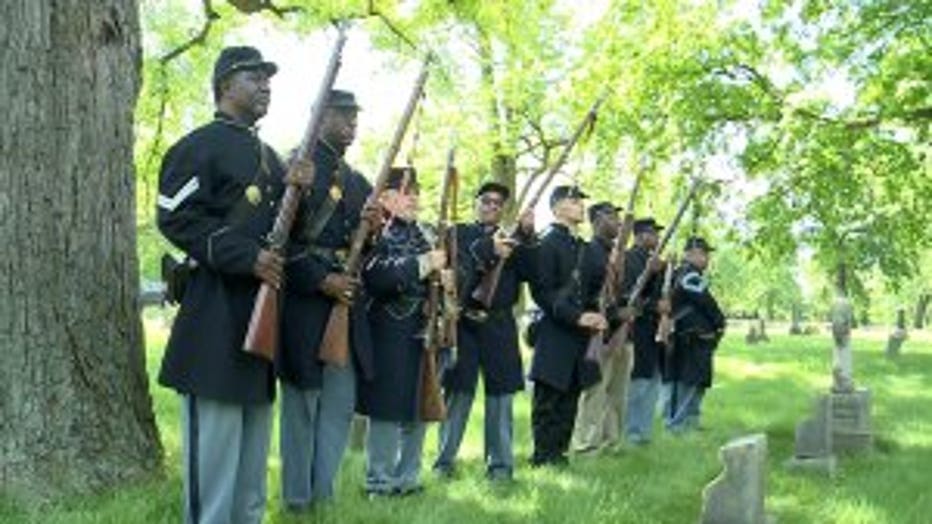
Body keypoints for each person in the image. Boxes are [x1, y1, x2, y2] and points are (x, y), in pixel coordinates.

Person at [157, 46, 304, 524]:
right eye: (253, 77)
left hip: (261, 324)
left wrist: (301, 189)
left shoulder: (272, 159)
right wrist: (248, 257)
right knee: (214, 476)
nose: (265, 85)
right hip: (214, 322)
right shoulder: (197, 147)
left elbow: (293, 237)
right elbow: (175, 217)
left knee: (250, 478)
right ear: (224, 86)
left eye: (268, 78)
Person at [276, 90, 382, 510]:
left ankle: (324, 497)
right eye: (343, 115)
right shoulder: (295, 167)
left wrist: (371, 234)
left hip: (345, 309)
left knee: (338, 407)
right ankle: (296, 501)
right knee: (301, 407)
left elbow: (365, 254)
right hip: (305, 304)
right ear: (320, 117)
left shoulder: (357, 182)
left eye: (354, 117)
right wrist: (321, 280)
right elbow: (279, 242)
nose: (351, 124)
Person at [433, 182, 536, 482]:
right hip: (463, 323)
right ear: (475, 203)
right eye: (486, 201)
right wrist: (490, 249)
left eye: (498, 203)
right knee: (457, 394)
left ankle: (501, 467)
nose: (492, 206)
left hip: (500, 325)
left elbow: (534, 271)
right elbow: (459, 267)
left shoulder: (516, 239)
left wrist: (527, 236)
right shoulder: (458, 234)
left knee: (501, 397)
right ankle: (443, 463)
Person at [358, 167, 447, 496]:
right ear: (385, 198)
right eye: (406, 192)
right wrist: (425, 264)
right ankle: (379, 481)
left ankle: (407, 479)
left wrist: (447, 280)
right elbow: (378, 278)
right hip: (388, 331)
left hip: (423, 329)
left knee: (419, 404)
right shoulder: (375, 233)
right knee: (386, 407)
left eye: (416, 192)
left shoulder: (425, 234)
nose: (414, 198)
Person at [528, 185, 607, 467]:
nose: (580, 206)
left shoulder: (585, 247)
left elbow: (594, 290)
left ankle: (559, 454)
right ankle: (542, 456)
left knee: (571, 394)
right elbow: (542, 291)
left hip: (580, 334)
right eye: (574, 201)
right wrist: (576, 317)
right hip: (554, 329)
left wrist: (597, 314)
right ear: (557, 207)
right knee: (549, 396)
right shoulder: (546, 242)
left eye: (580, 201)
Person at [571, 202, 634, 453]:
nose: (618, 221)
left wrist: (629, 308)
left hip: (621, 332)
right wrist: (613, 314)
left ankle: (611, 442)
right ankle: (586, 444)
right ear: (597, 220)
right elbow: (584, 295)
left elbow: (623, 291)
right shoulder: (588, 252)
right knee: (595, 391)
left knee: (617, 393)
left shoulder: (619, 254)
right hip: (598, 332)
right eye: (612, 216)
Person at [662, 236, 725, 432]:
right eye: (704, 254)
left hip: (695, 339)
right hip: (689, 340)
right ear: (691, 254)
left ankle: (690, 424)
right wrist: (720, 322)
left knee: (695, 382)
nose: (707, 259)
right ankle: (678, 425)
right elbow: (706, 302)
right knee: (687, 383)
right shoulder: (689, 275)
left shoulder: (687, 274)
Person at [621, 217, 667, 445]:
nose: (657, 237)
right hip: (637, 328)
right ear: (640, 235)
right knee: (638, 383)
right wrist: (654, 305)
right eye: (653, 233)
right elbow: (629, 295)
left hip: (654, 329)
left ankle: (643, 432)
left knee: (652, 382)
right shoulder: (630, 259)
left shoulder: (654, 260)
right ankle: (631, 432)